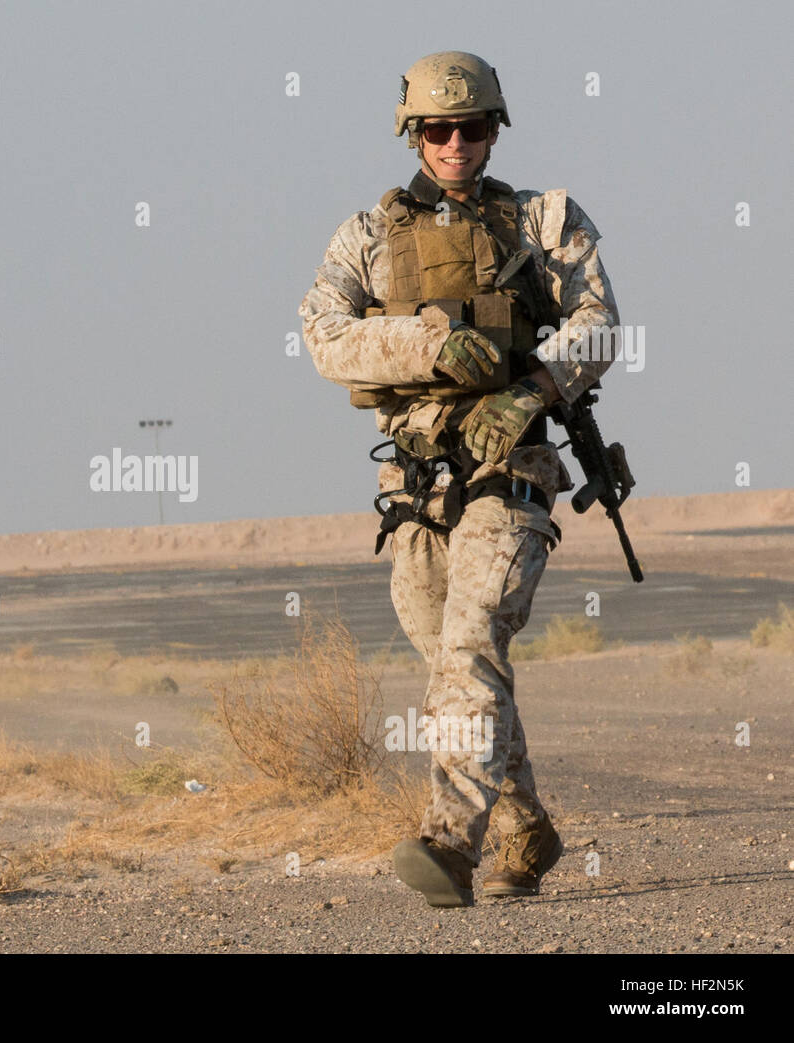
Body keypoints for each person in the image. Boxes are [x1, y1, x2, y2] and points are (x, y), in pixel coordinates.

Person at [298, 51, 620, 907]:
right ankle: (524, 826)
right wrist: (429, 343)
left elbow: (598, 325)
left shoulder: (544, 221)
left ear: (494, 130)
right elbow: (325, 336)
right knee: (457, 669)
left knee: (472, 645)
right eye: (437, 129)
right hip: (418, 492)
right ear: (413, 133)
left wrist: (533, 392)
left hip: (511, 477)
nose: (454, 143)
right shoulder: (370, 237)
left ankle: (449, 842)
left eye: (470, 127)